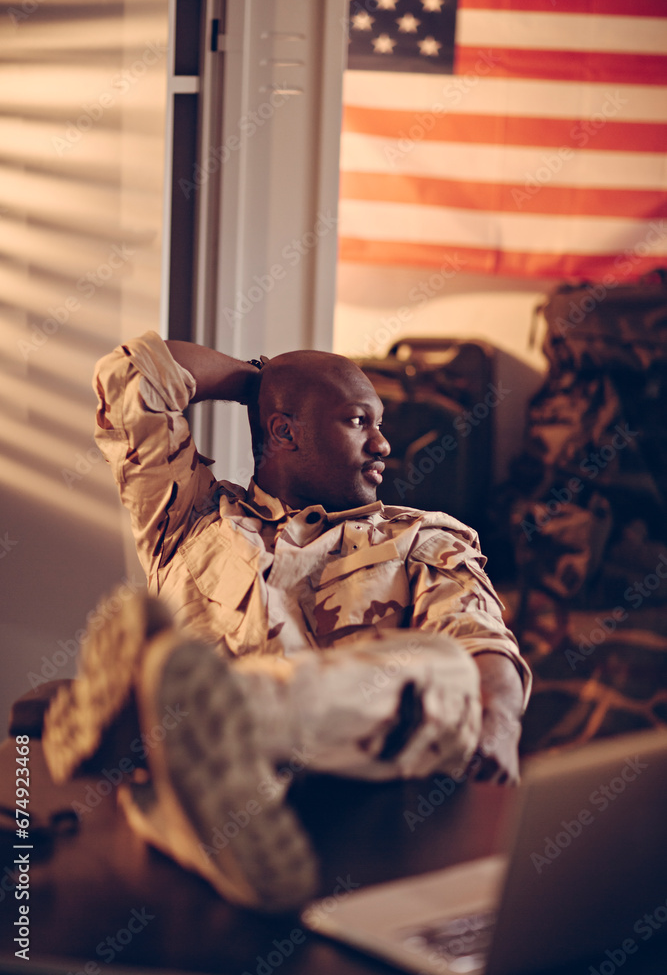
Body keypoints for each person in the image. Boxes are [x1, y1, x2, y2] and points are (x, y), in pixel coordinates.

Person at [44, 331, 531, 913]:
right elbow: (131, 379)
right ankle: (187, 778)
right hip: (229, 795)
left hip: (348, 777)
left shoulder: (423, 536)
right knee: (170, 687)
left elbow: (482, 645)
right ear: (283, 431)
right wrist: (265, 382)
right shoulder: (189, 516)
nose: (383, 444)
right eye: (358, 421)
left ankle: (201, 718)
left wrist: (499, 724)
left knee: (446, 671)